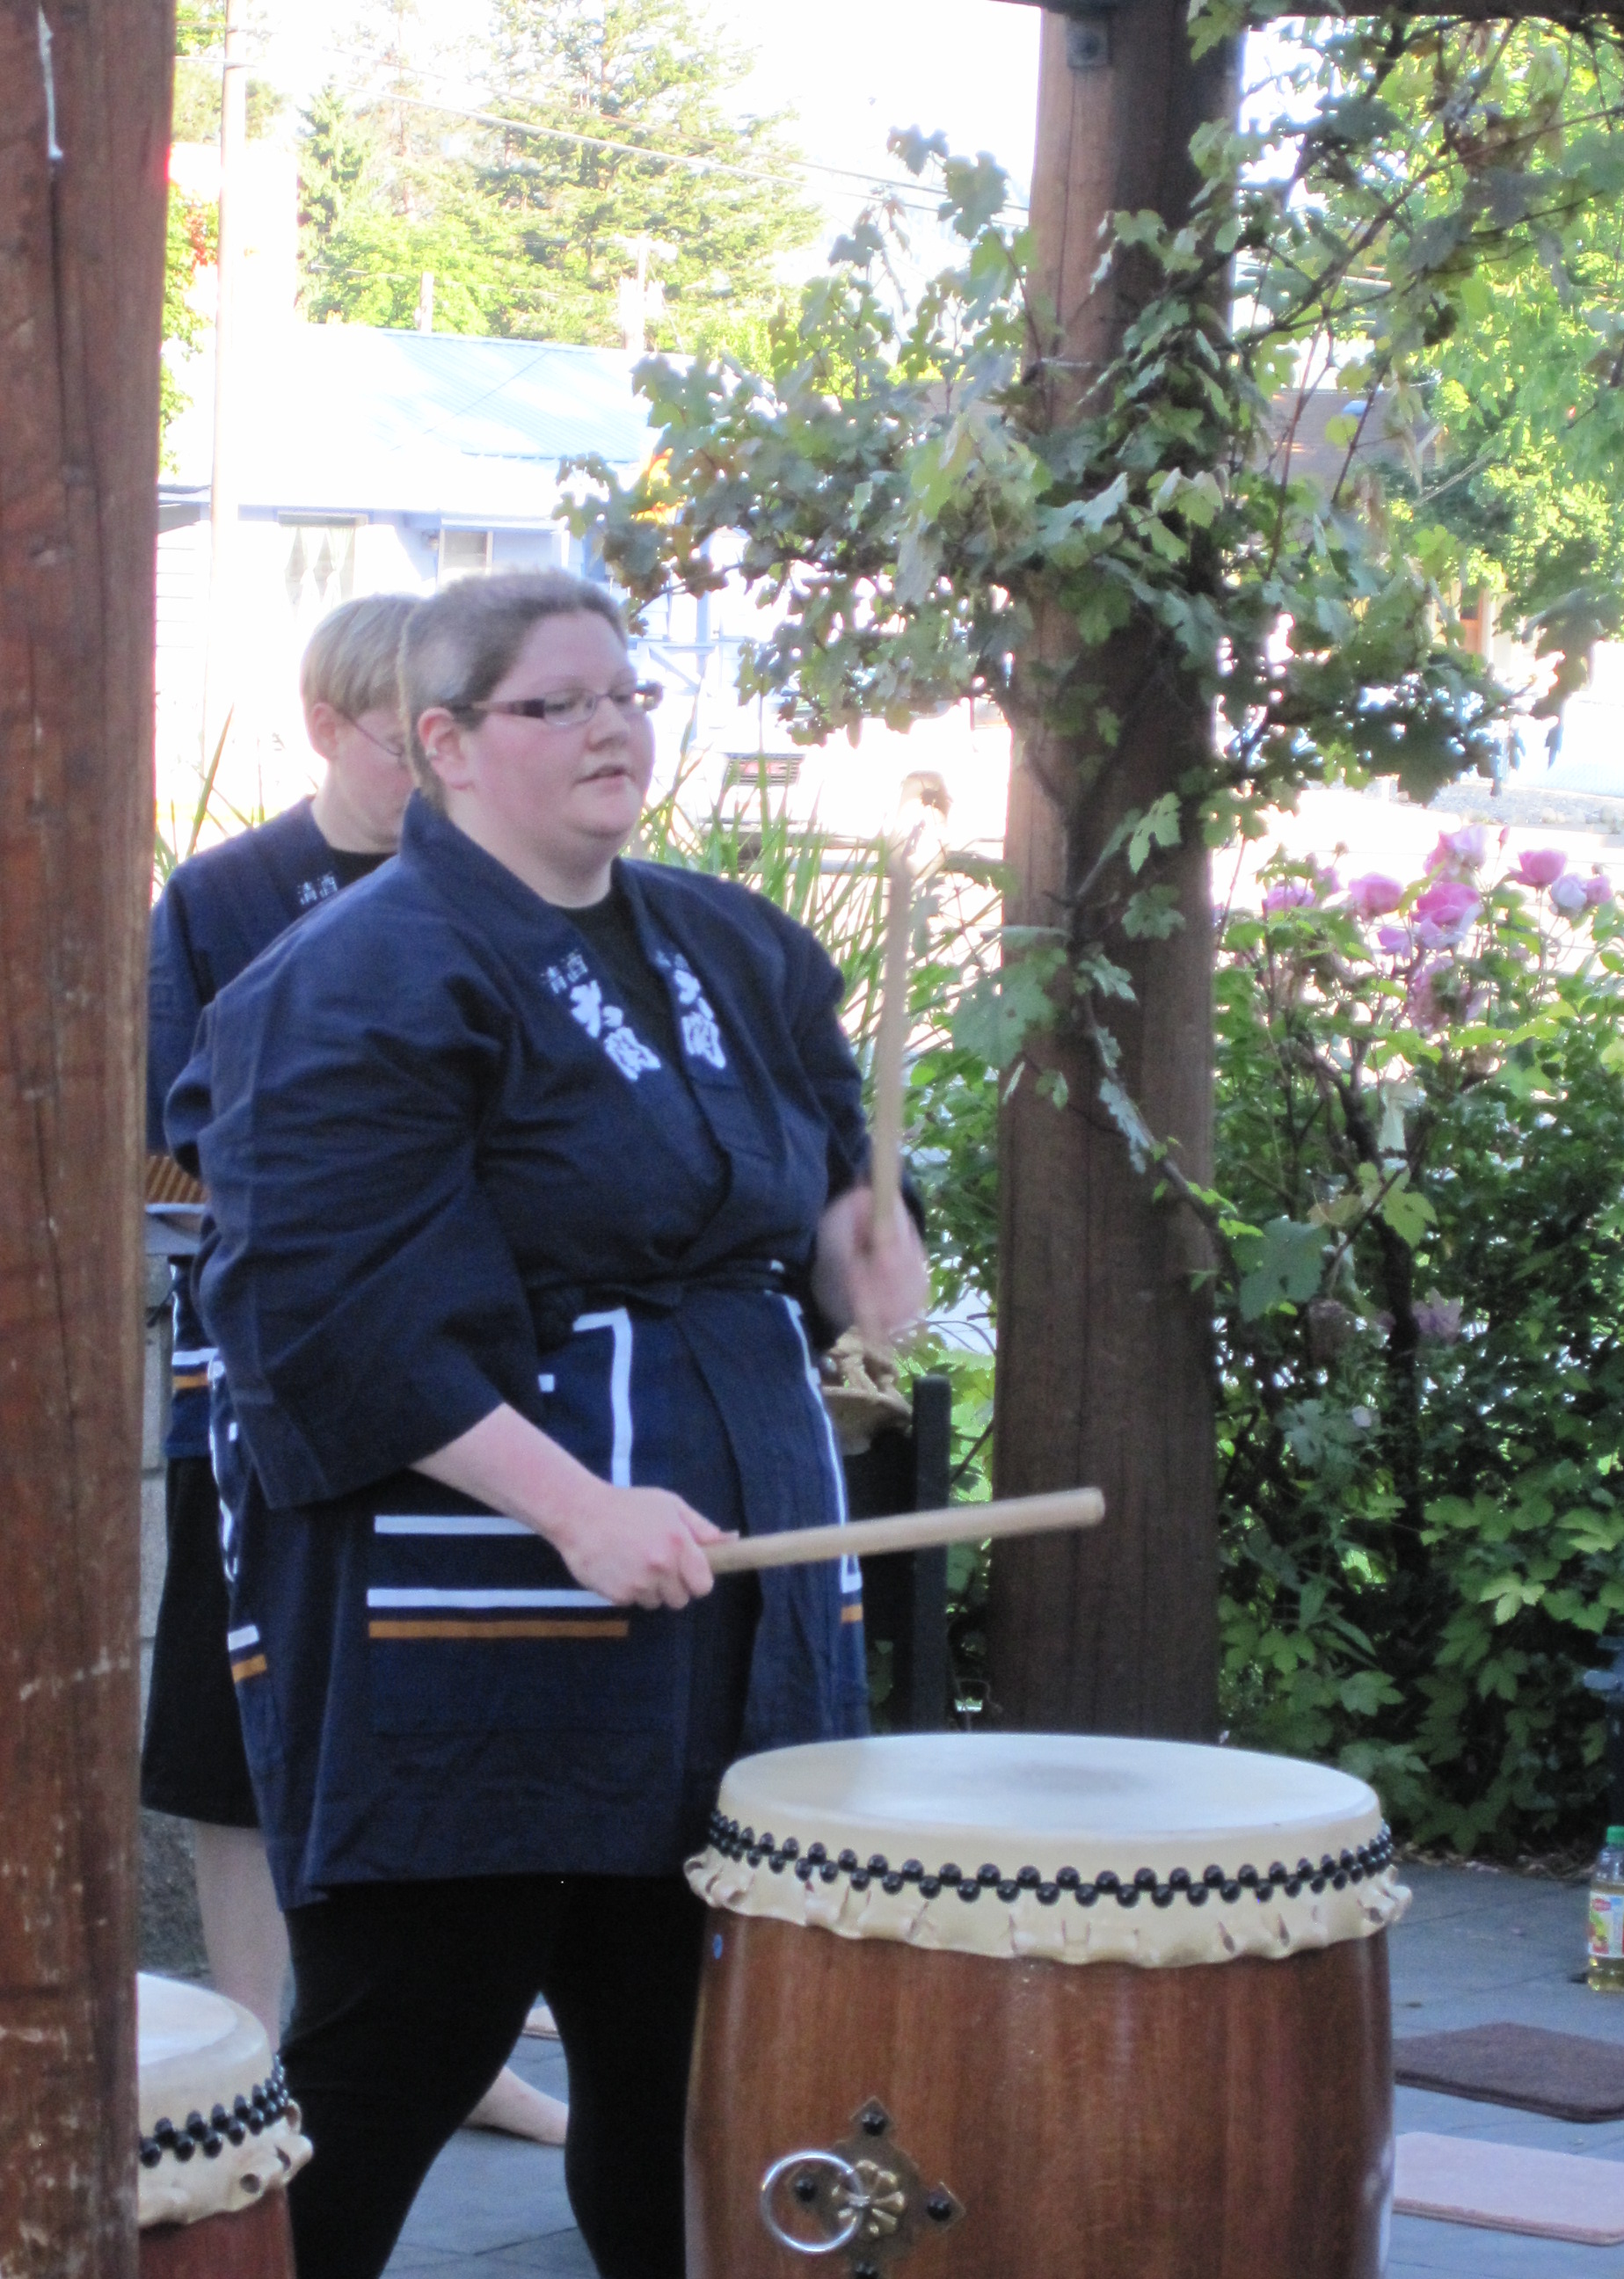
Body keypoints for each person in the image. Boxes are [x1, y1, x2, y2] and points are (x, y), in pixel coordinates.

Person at [165, 569, 928, 2279]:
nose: (611, 729)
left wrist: (858, 1243)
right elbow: (328, 1307)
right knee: (398, 2047)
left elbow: (819, 1180)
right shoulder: (346, 977)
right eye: (558, 704)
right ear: (443, 743)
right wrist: (575, 1505)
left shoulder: (731, 941)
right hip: (483, 1588)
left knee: (681, 2067)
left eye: (627, 696)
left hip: (729, 1576)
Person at [143, 590, 564, 2144]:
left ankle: (452, 2059)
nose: (440, 778)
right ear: (330, 727)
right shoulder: (223, 896)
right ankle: (256, 2063)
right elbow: (187, 1137)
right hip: (259, 1401)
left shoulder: (526, 897)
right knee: (231, 1724)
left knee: (456, 1722)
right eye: (411, 747)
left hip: (491, 1403)